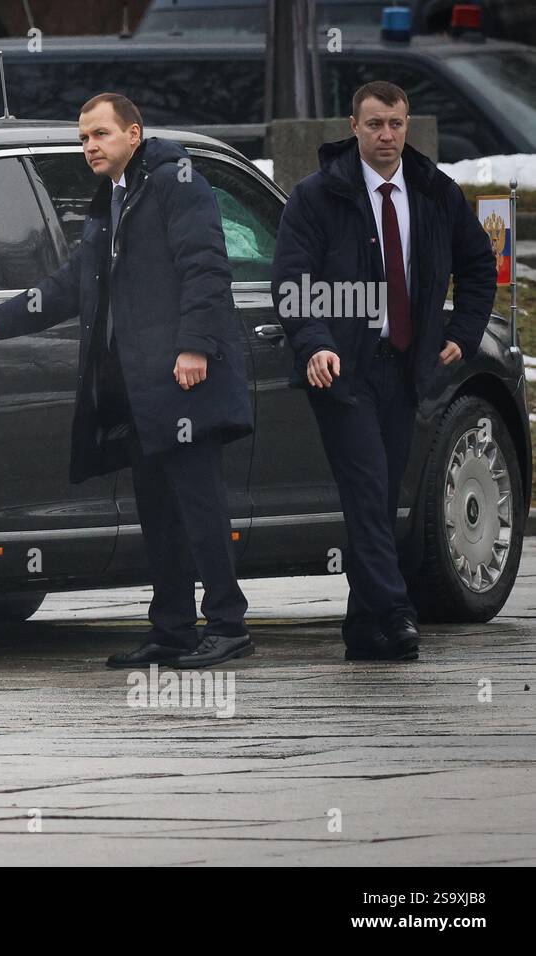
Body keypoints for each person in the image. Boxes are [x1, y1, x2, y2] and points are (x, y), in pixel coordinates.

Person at [0, 93, 254, 669]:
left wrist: (195, 346)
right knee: (159, 513)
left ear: (134, 133)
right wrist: (0, 320)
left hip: (184, 381)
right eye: (84, 138)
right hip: (139, 389)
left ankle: (227, 624)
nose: (90, 146)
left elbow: (207, 266)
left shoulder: (177, 181)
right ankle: (171, 629)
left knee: (200, 510)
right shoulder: (113, 197)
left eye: (101, 134)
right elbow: (73, 282)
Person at [272, 81, 496, 661]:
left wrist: (461, 334)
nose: (387, 136)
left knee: (383, 495)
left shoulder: (434, 192)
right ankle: (396, 611)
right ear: (353, 126)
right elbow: (293, 282)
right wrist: (315, 344)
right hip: (343, 372)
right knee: (368, 488)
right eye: (375, 124)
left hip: (406, 370)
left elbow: (479, 264)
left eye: (396, 124)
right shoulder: (318, 195)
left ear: (407, 125)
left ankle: (364, 628)